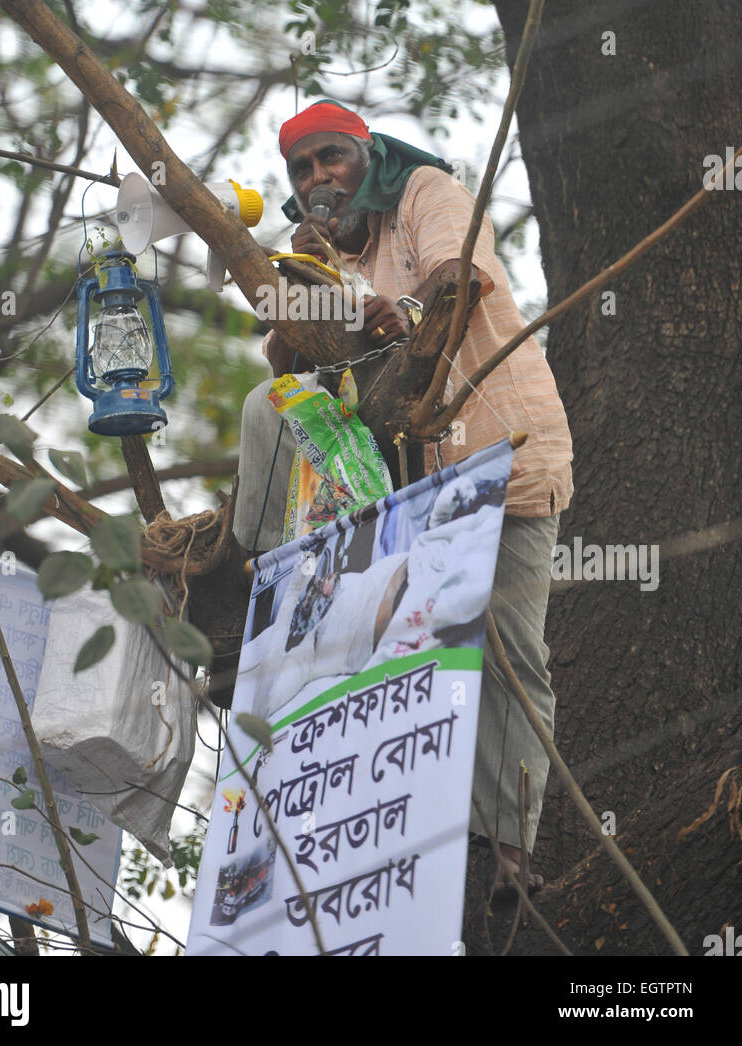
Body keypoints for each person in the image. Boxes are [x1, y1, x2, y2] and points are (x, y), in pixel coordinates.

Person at [232, 100, 574, 898]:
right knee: (266, 402)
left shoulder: (423, 191)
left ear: (367, 157)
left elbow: (456, 279)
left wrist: (406, 311)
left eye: (330, 159)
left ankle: (506, 850)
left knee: (507, 652)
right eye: (301, 168)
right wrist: (300, 284)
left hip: (500, 454)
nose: (317, 177)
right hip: (404, 491)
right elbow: (291, 360)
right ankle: (257, 571)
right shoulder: (320, 248)